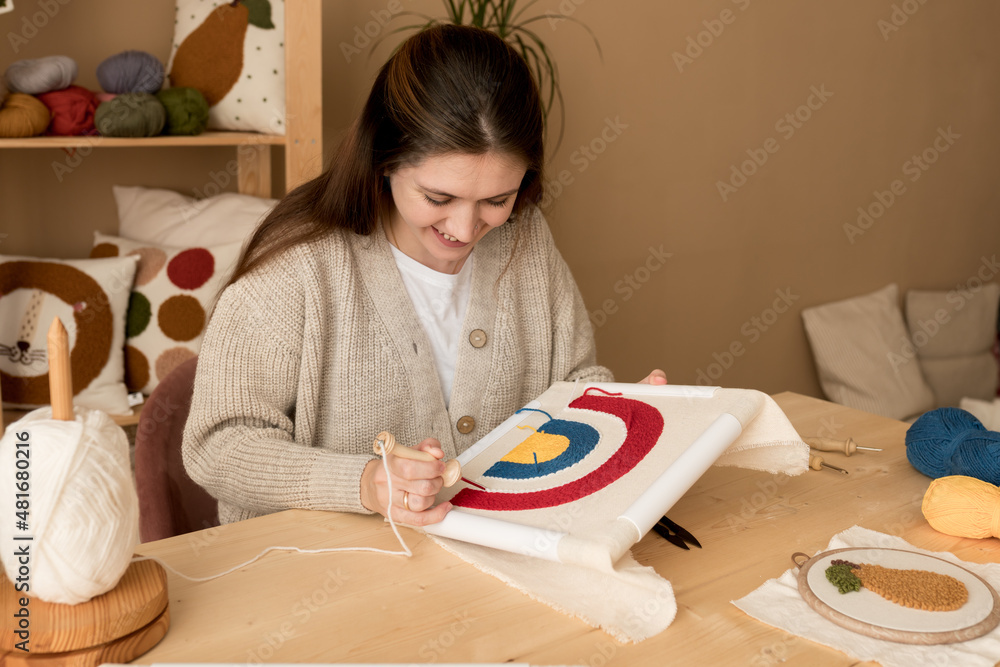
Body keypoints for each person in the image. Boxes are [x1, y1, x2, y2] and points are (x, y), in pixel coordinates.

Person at [183, 24, 666, 529]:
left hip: (496, 555)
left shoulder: (524, 238)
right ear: (383, 159)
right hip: (324, 567)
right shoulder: (298, 267)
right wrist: (365, 483)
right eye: (438, 198)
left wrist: (618, 411)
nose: (465, 228)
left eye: (496, 200)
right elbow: (219, 446)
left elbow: (572, 382)